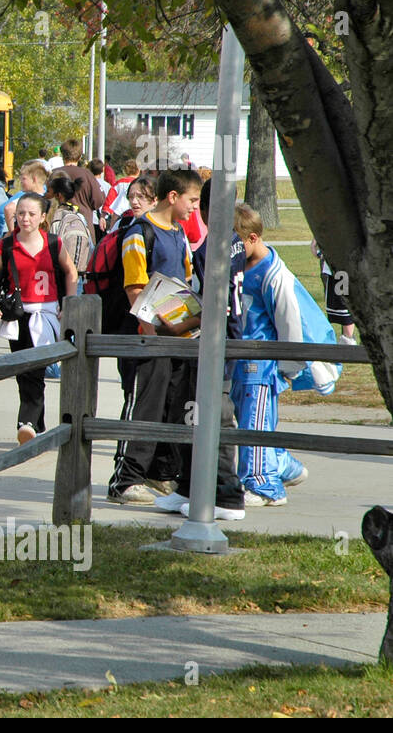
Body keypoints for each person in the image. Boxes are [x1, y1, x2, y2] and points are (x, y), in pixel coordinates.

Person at [151, 179, 247, 521]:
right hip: (211, 341)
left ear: (206, 211)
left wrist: (179, 321)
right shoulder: (233, 242)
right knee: (188, 410)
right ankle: (190, 485)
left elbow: (215, 307)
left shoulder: (214, 250)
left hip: (218, 343)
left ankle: (228, 493)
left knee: (215, 415)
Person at [106, 167, 202, 506]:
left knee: (171, 404)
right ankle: (126, 478)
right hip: (148, 337)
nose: (195, 208)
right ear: (173, 197)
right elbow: (135, 287)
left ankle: (160, 472)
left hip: (176, 335)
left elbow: (186, 282)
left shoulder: (178, 233)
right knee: (144, 404)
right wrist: (151, 331)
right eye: (192, 200)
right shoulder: (139, 232)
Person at [233, 203, 326, 507]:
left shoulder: (274, 273)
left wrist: (289, 364)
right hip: (239, 361)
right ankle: (283, 465)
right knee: (250, 422)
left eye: (237, 243)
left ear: (253, 238)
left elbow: (289, 319)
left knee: (254, 425)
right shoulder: (239, 266)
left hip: (261, 364)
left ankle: (264, 487)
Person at [0, 193, 77, 444]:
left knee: (34, 369)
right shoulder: (8, 245)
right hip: (17, 315)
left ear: (43, 217)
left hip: (46, 315)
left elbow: (71, 272)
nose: (25, 218)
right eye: (21, 213)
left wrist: (68, 304)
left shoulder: (53, 243)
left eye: (31, 214)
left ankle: (27, 422)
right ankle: (37, 426)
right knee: (24, 369)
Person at [55, 138, 106, 236]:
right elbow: (99, 200)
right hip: (83, 227)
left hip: (57, 226)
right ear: (79, 157)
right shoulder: (87, 175)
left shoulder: (54, 174)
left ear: (63, 155)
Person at [312, 239, 358, 345]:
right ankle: (347, 337)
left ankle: (348, 339)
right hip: (336, 264)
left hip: (342, 265)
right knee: (341, 301)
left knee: (343, 302)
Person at [2, 160, 48, 235]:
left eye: (23, 178)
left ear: (34, 179)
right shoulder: (48, 198)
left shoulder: (26, 199)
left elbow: (8, 209)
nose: (21, 181)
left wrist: (12, 233)